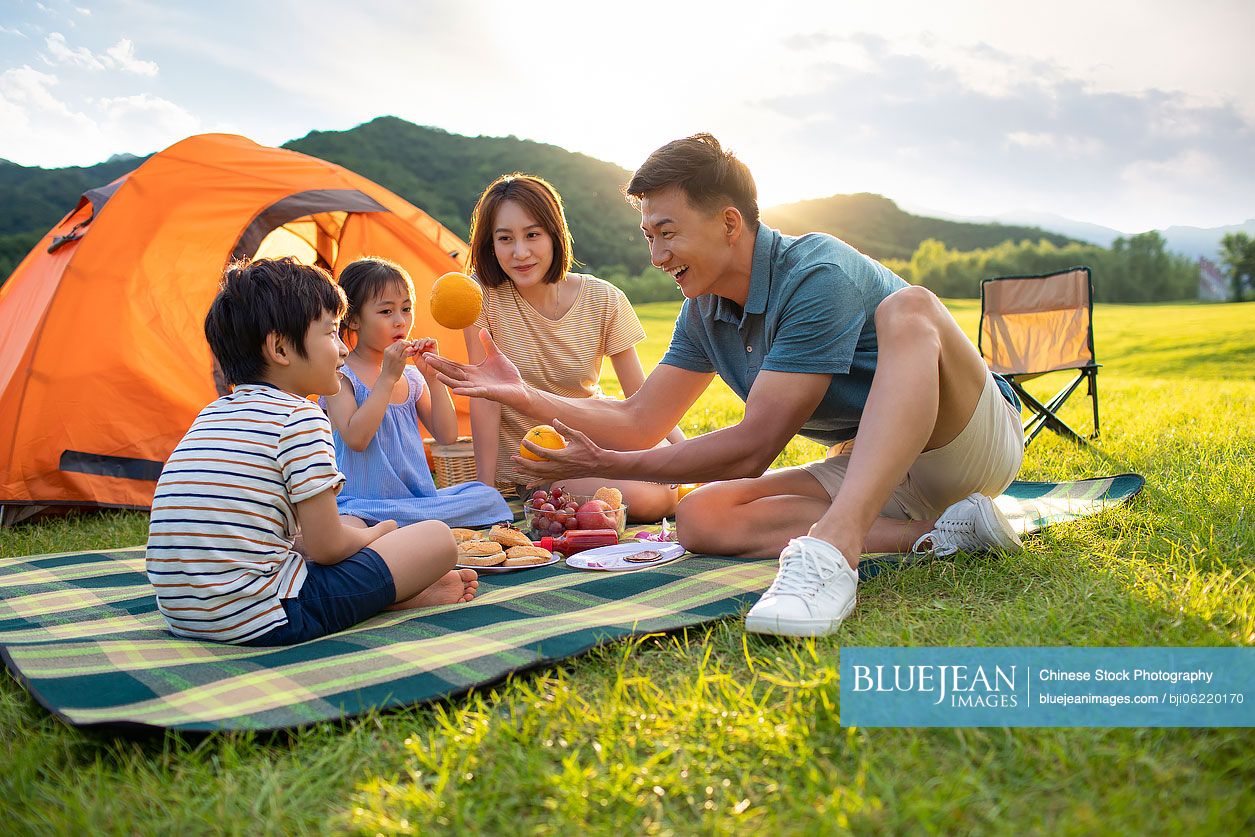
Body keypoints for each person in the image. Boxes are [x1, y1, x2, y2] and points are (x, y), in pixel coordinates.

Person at [426, 134, 1025, 638]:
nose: (657, 255)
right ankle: (942, 535)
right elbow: (640, 420)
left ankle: (834, 547)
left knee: (910, 308)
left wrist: (607, 463)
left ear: (730, 223)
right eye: (648, 237)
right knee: (701, 515)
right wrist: (523, 395)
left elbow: (754, 447)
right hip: (878, 466)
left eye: (667, 233)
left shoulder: (816, 272)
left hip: (964, 442)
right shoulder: (703, 311)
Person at [145, 257, 477, 646]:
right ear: (280, 348)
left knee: (328, 544)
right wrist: (380, 532)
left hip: (183, 614)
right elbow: (328, 548)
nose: (341, 350)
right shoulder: (299, 416)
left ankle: (394, 592)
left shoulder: (212, 414)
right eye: (331, 333)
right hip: (270, 615)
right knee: (437, 539)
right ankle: (394, 595)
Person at [463, 173, 682, 521]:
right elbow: (485, 398)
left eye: (532, 235)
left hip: (601, 438)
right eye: (505, 239)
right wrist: (485, 492)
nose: (520, 252)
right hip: (541, 462)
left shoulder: (603, 297)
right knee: (649, 499)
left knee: (676, 479)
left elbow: (642, 399)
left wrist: (684, 453)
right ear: (491, 244)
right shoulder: (480, 296)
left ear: (555, 233)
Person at [322, 257, 511, 529]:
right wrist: (387, 379)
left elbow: (447, 435)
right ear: (352, 319)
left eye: (406, 309)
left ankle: (404, 529)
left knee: (487, 497)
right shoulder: (340, 374)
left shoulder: (411, 377)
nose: (400, 321)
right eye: (386, 311)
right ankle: (406, 530)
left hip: (417, 503)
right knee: (350, 524)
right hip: (362, 504)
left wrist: (432, 378)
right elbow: (356, 439)